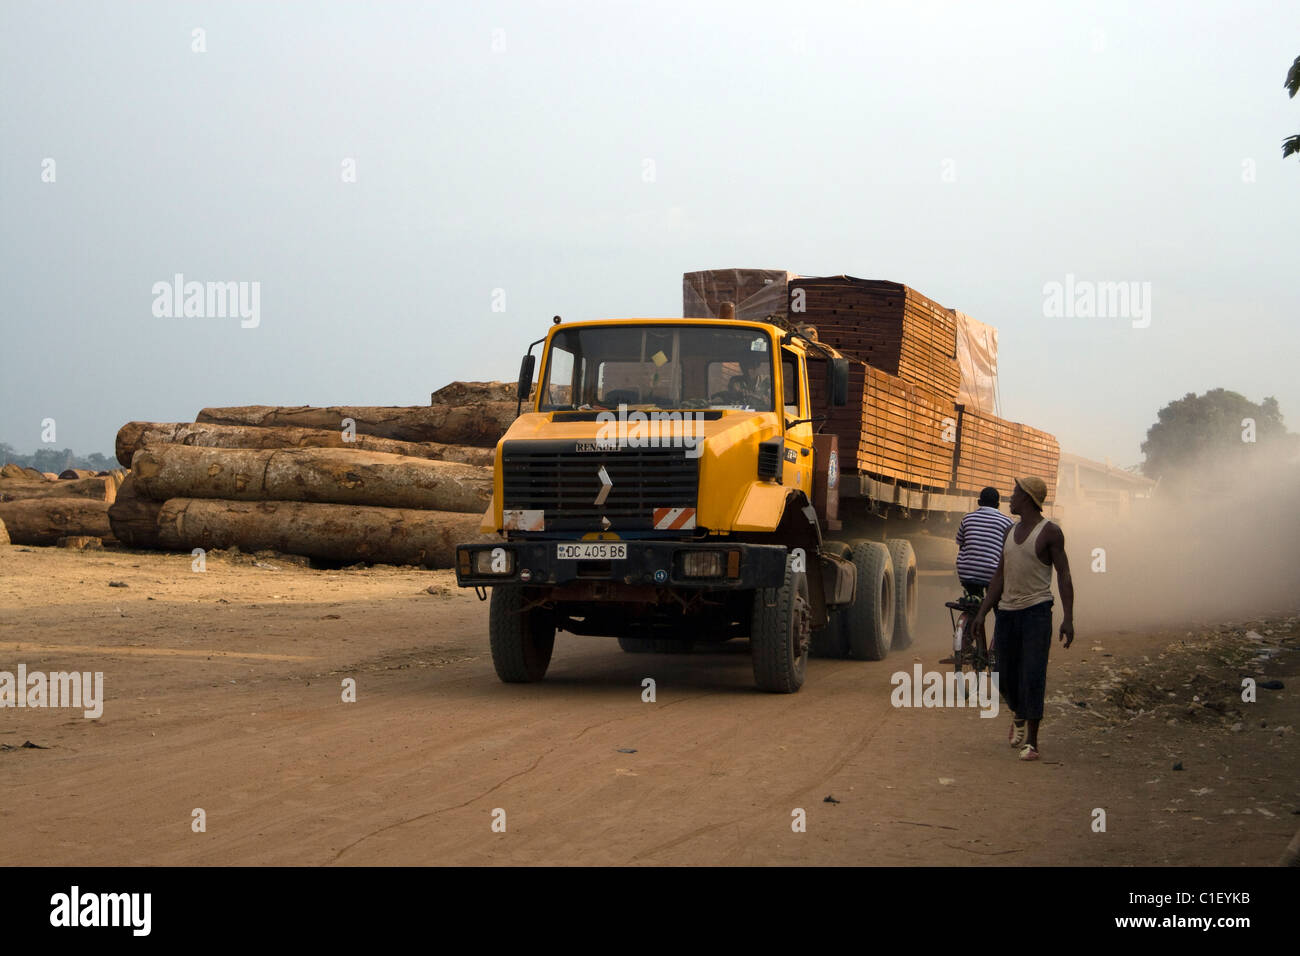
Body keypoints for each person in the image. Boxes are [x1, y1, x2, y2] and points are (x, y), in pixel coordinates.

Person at [969, 475, 1074, 762]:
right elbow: (999, 575)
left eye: (1015, 493)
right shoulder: (1009, 532)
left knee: (1033, 674)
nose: (1010, 498)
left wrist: (1068, 617)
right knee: (1001, 675)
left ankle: (1032, 741)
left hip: (1036, 613)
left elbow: (1064, 574)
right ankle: (1018, 713)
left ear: (1027, 498)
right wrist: (982, 612)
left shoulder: (1050, 532)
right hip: (1007, 613)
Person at [955, 486, 1013, 597]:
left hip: (966, 573)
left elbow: (961, 545)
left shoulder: (967, 518)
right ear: (998, 505)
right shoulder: (1007, 522)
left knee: (973, 603)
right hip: (992, 574)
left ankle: (971, 611)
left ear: (979, 502)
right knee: (999, 606)